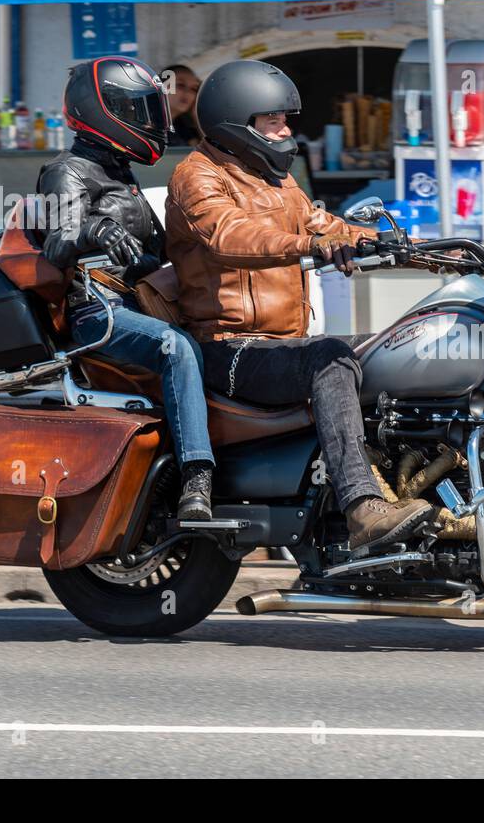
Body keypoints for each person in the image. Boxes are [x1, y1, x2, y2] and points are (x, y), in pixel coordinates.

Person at [165, 59, 437, 555]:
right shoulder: (196, 176)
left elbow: (326, 224)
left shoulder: (275, 180)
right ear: (238, 119)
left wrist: (428, 252)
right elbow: (229, 234)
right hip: (230, 350)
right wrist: (308, 247)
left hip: (281, 344)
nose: (286, 130)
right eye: (275, 120)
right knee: (329, 359)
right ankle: (362, 509)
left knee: (403, 347)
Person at [37, 56, 215, 520]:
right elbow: (58, 244)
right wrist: (95, 229)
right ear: (101, 110)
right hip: (94, 308)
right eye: (138, 111)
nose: (151, 122)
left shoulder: (120, 173)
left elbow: (153, 255)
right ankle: (197, 478)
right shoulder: (67, 171)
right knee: (175, 349)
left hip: (134, 301)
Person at [163, 64, 203, 146]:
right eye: (180, 85)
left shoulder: (183, 129)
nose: (188, 92)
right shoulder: (143, 122)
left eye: (194, 89)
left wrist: (197, 117)